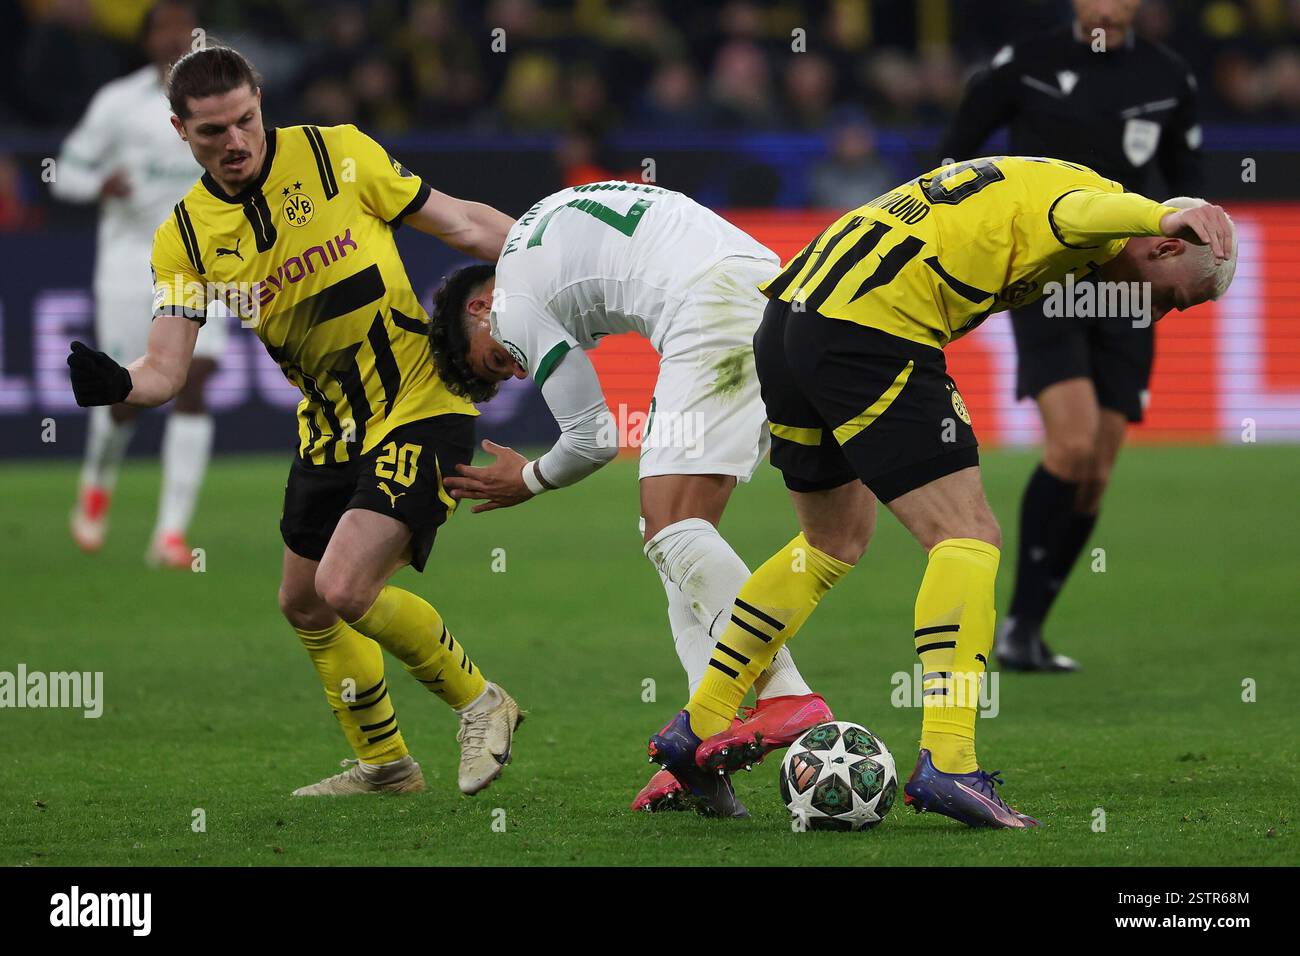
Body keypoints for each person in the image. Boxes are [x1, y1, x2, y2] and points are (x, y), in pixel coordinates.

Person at [647, 156, 1236, 826]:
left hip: (789, 319)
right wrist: (1160, 211)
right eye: (1172, 297)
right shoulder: (1095, 214)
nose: (1157, 314)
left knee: (831, 541)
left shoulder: (1048, 186)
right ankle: (950, 762)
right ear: (1162, 246)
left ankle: (698, 727)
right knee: (968, 535)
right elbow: (1081, 215)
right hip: (871, 328)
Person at [65, 45, 524, 798]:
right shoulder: (183, 235)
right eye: (213, 132)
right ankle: (385, 765)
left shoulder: (337, 154)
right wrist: (119, 381)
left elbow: (466, 226)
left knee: (345, 588)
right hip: (329, 427)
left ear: (259, 102)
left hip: (418, 402)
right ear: (182, 132)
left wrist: (555, 254)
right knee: (303, 601)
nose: (235, 142)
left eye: (244, 120)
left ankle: (482, 701)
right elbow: (166, 371)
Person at [426, 182, 830, 816]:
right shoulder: (536, 232)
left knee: (670, 526)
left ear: (481, 307)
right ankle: (705, 737)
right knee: (672, 534)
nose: (518, 369)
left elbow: (592, 437)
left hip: (712, 305)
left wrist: (527, 480)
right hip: (766, 289)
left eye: (497, 361)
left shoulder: (511, 303)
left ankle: (786, 691)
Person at [939, 0, 1203, 671]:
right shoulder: (1027, 64)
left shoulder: (1168, 75)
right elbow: (953, 156)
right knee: (1074, 440)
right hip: (1050, 276)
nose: (1107, 8)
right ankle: (1012, 624)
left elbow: (1188, 184)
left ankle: (1027, 628)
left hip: (1130, 285)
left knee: (1097, 470)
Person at [55, 0, 226, 568]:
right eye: (166, 28)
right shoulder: (118, 103)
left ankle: (170, 533)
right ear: (148, 39)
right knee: (127, 393)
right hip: (133, 267)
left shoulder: (222, 97)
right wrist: (99, 184)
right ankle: (97, 479)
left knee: (194, 381)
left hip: (210, 262)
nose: (177, 36)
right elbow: (65, 172)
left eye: (186, 26)